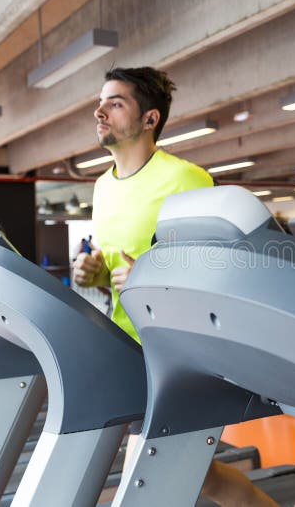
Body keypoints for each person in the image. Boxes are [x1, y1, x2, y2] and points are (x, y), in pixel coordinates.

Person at [73, 66, 277, 507]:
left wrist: (150, 275)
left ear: (150, 120)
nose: (100, 110)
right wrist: (98, 278)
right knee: (200, 478)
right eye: (101, 100)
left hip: (182, 354)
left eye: (116, 102)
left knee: (151, 473)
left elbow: (217, 270)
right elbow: (119, 275)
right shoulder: (101, 187)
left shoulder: (187, 180)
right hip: (129, 347)